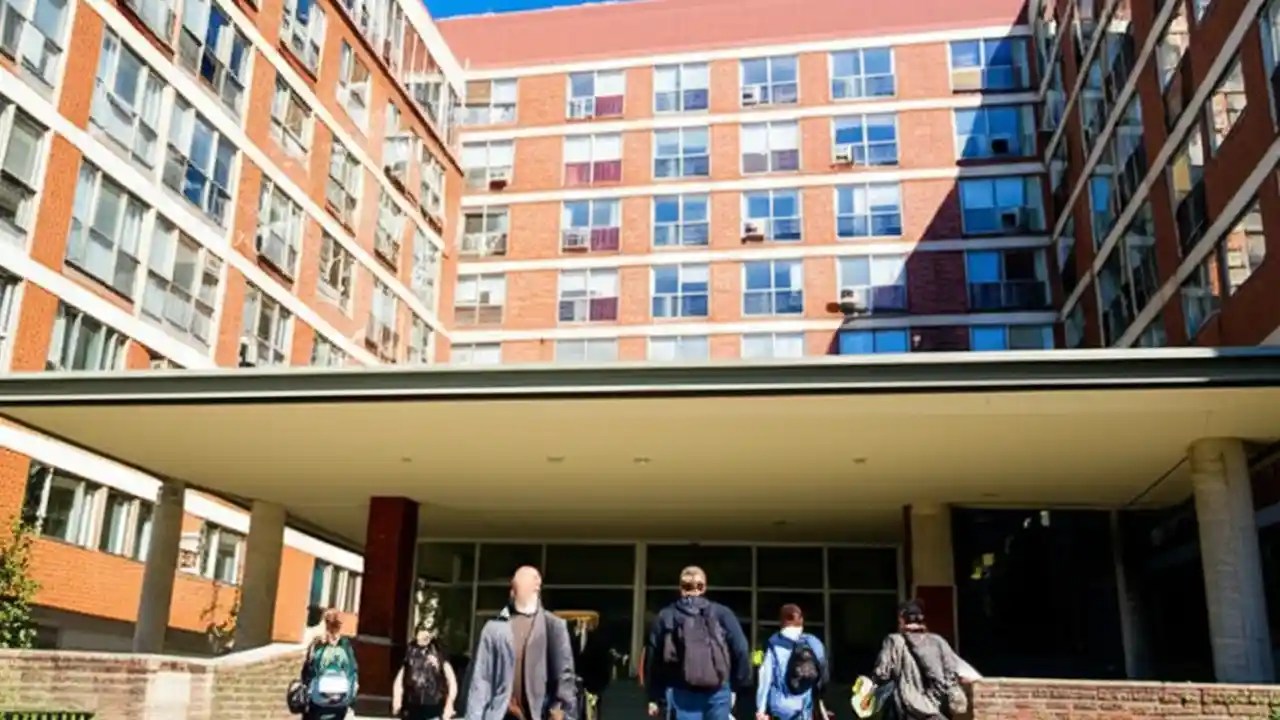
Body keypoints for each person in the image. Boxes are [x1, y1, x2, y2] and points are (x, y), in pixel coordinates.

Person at [465, 566, 577, 720]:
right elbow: (481, 680)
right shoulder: (494, 628)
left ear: (536, 588)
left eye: (516, 587)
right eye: (512, 587)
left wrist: (563, 712)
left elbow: (564, 678)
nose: (512, 592)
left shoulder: (553, 626)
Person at [644, 566, 751, 720]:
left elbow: (653, 659)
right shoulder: (722, 613)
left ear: (681, 588)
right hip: (718, 692)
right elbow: (741, 648)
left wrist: (654, 696)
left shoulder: (666, 615)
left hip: (679, 692)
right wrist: (737, 685)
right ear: (703, 587)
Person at [869, 600, 968, 720]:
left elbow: (882, 673)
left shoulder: (894, 641)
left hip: (907, 709)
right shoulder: (938, 641)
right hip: (936, 710)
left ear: (902, 618)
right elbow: (951, 673)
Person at [755, 604, 830, 720]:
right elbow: (823, 676)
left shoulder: (773, 644)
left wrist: (761, 709)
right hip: (804, 707)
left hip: (780, 708)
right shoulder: (813, 643)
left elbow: (765, 678)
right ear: (801, 620)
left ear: (781, 621)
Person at [301, 608, 359, 720]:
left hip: (318, 699)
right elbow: (352, 670)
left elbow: (307, 670)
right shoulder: (345, 644)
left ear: (325, 623)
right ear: (340, 625)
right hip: (340, 700)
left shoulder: (317, 644)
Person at [393, 624, 459, 720]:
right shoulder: (410, 650)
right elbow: (400, 678)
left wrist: (449, 705)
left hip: (434, 708)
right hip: (412, 707)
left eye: (427, 632)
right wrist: (397, 698)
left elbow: (451, 680)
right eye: (421, 632)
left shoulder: (438, 651)